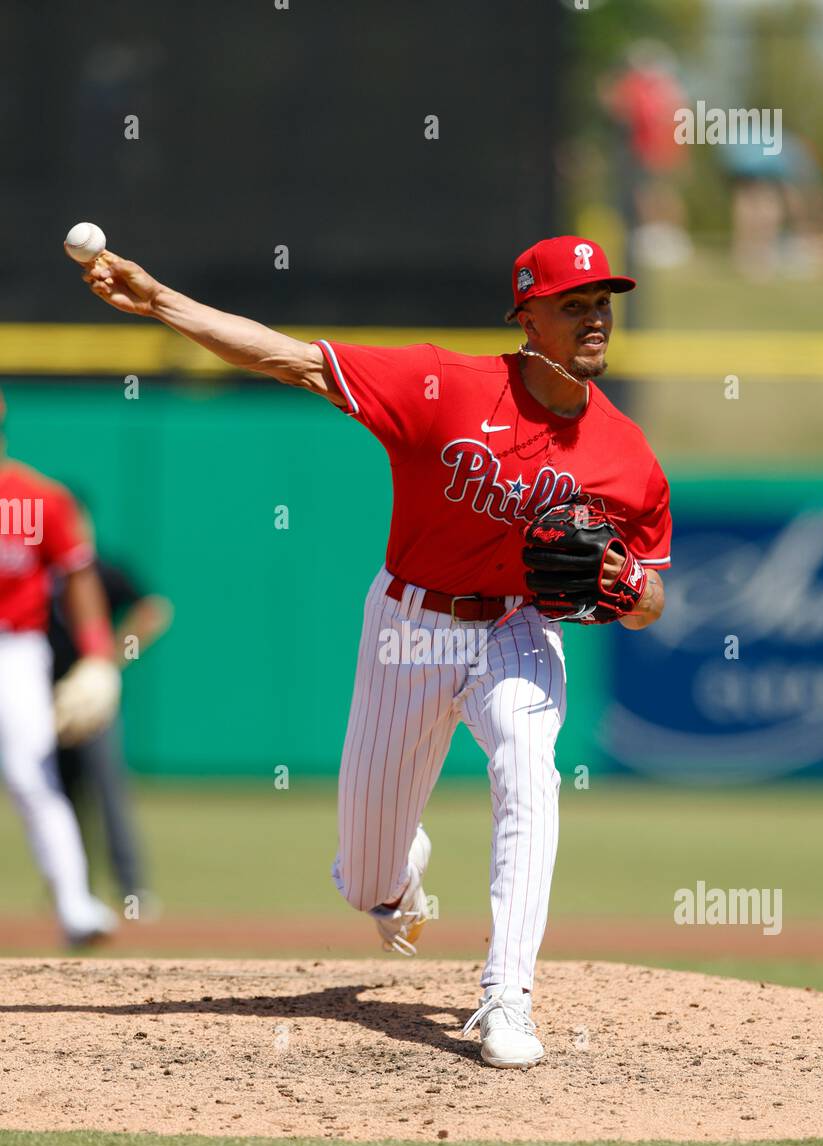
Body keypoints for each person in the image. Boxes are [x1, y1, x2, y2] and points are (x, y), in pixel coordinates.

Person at [80, 234, 672, 1067]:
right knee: (365, 880)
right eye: (574, 304)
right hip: (410, 624)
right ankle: (397, 876)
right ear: (526, 316)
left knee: (529, 771)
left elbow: (650, 598)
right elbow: (294, 361)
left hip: (520, 629)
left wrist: (630, 591)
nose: (596, 319)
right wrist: (161, 301)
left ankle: (508, 997)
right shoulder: (445, 386)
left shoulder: (628, 456)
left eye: (603, 302)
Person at [0, 393, 119, 945]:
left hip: (15, 651)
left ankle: (75, 907)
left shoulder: (38, 496)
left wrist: (97, 655)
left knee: (31, 775)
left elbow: (79, 572)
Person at [49, 524, 173, 914]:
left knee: (108, 794)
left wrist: (110, 663)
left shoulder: (101, 569)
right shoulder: (39, 569)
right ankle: (71, 894)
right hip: (45, 698)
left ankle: (132, 891)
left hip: (90, 701)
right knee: (56, 798)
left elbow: (153, 609)